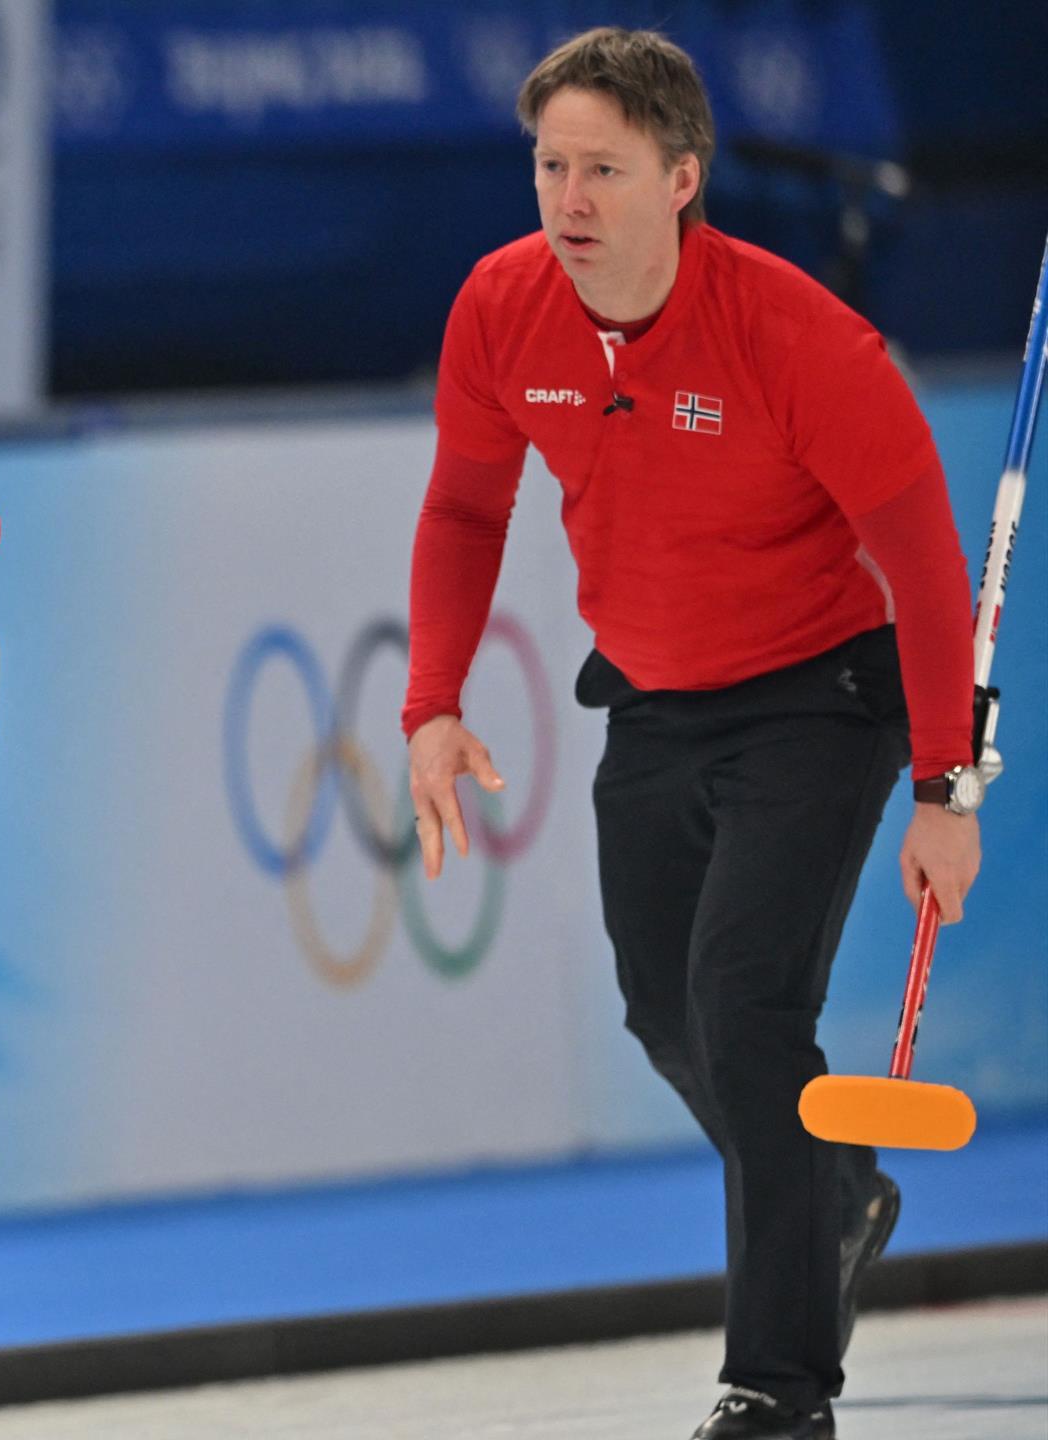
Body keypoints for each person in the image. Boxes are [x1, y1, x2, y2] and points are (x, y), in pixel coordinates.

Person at [402, 29, 980, 1440]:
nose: (570, 199)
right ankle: (836, 1197)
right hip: (652, 699)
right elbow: (468, 510)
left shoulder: (799, 340)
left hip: (815, 699)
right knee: (665, 1011)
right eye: (551, 165)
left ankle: (777, 1386)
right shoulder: (500, 308)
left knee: (744, 1003)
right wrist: (431, 705)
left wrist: (942, 783)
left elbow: (921, 560)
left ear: (682, 178)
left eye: (603, 167)